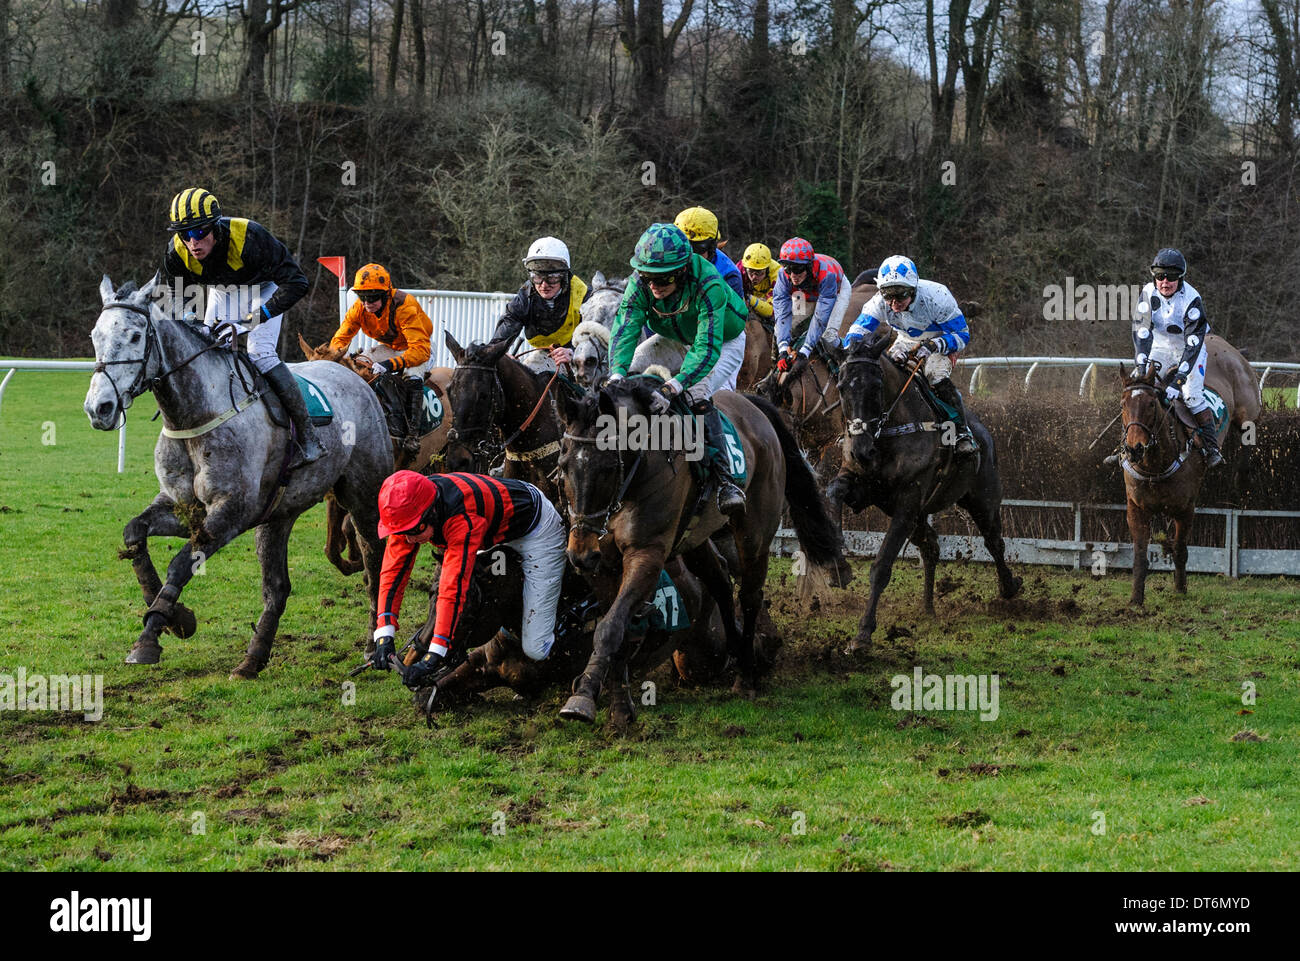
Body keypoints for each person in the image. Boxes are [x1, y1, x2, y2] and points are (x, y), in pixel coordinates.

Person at [162, 187, 324, 465]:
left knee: (259, 351)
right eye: (184, 234)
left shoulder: (250, 237)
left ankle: (308, 436)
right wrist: (191, 321)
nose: (192, 242)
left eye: (199, 233)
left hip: (263, 291)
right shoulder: (176, 252)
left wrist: (257, 316)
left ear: (215, 227)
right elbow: (173, 298)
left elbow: (297, 282)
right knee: (202, 349)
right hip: (222, 292)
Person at [371, 470, 568, 688]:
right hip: (493, 529)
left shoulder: (461, 519)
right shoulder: (410, 511)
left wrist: (436, 653)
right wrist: (383, 633)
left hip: (536, 531)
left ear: (433, 512)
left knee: (536, 649)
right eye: (403, 532)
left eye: (415, 530)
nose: (409, 539)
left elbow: (452, 587)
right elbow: (393, 572)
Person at [607, 223, 748, 515]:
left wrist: (674, 386)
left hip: (722, 340)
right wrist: (616, 373)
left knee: (694, 397)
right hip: (676, 336)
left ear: (683, 269)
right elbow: (625, 327)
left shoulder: (709, 281)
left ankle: (725, 481)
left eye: (664, 277)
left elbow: (706, 347)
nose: (655, 286)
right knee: (625, 380)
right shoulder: (640, 282)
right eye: (648, 277)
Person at [841, 254, 976, 455]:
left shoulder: (938, 296)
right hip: (905, 339)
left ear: (913, 289)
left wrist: (934, 345)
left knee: (934, 374)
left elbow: (962, 335)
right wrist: (850, 351)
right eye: (888, 295)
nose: (894, 302)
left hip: (940, 340)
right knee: (887, 372)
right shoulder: (878, 302)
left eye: (901, 294)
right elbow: (857, 330)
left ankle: (961, 431)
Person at [1129, 248, 1221, 466]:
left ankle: (1211, 447)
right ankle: (1124, 444)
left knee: (1190, 395)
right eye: (1159, 276)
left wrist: (1178, 381)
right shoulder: (1148, 293)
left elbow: (1193, 345)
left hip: (1189, 351)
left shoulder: (1192, 299)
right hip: (1159, 348)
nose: (1164, 282)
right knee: (1136, 390)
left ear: (1180, 278)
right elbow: (1142, 333)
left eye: (1171, 277)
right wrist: (1142, 369)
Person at [329, 263, 433, 454]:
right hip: (391, 347)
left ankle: (412, 435)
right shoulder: (358, 310)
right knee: (360, 366)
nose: (367, 302)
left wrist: (390, 364)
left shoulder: (405, 305)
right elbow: (340, 340)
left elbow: (420, 349)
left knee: (412, 376)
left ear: (386, 294)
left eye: (373, 297)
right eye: (363, 297)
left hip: (419, 347)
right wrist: (331, 359)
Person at [487, 236, 589, 370]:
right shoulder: (525, 294)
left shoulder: (584, 295)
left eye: (551, 278)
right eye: (538, 277)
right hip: (545, 354)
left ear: (564, 276)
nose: (544, 285)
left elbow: (595, 339)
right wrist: (499, 353)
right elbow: (509, 322)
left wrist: (575, 353)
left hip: (581, 356)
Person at [771, 237, 851, 378]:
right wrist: (783, 349)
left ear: (808, 265)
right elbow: (782, 313)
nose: (793, 275)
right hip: (805, 292)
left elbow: (820, 317)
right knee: (780, 329)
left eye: (797, 268)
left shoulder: (827, 274)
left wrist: (805, 351)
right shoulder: (784, 276)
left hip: (835, 290)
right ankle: (774, 369)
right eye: (788, 268)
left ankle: (848, 359)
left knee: (829, 336)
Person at [673, 207, 746, 301]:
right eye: (683, 247)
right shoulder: (665, 258)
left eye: (696, 248)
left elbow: (736, 313)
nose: (690, 255)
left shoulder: (729, 276)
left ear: (711, 246)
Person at [739, 243, 780, 320]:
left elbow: (773, 311)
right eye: (751, 271)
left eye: (760, 273)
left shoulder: (777, 274)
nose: (754, 277)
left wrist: (749, 299)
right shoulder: (739, 269)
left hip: (769, 300)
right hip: (751, 296)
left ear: (767, 269)